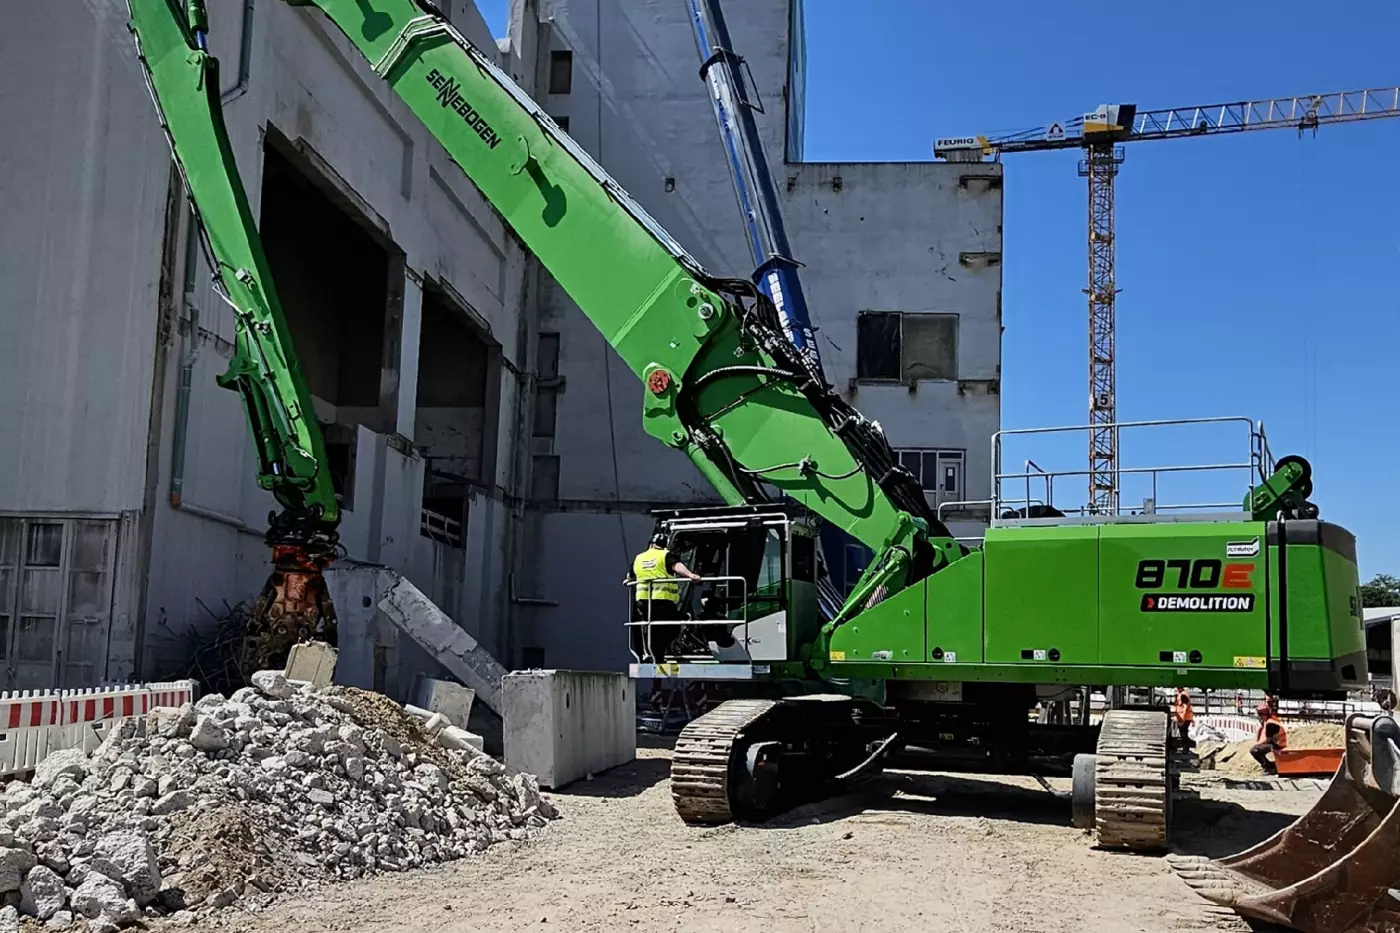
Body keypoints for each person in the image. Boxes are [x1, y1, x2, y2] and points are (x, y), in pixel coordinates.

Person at [624, 533, 701, 661]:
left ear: (651, 544)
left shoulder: (639, 558)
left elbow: (630, 575)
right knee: (672, 628)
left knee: (650, 629)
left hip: (643, 602)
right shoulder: (665, 555)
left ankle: (653, 655)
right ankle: (659, 655)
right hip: (662, 601)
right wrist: (691, 575)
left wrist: (627, 580)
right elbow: (677, 566)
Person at [1249, 701, 1288, 774]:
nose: (1259, 717)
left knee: (1254, 750)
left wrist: (1256, 744)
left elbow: (1267, 740)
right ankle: (1270, 765)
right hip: (1274, 743)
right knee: (1256, 748)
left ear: (1263, 715)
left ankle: (1269, 767)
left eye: (1259, 714)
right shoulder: (1267, 721)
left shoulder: (1271, 723)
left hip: (1278, 744)